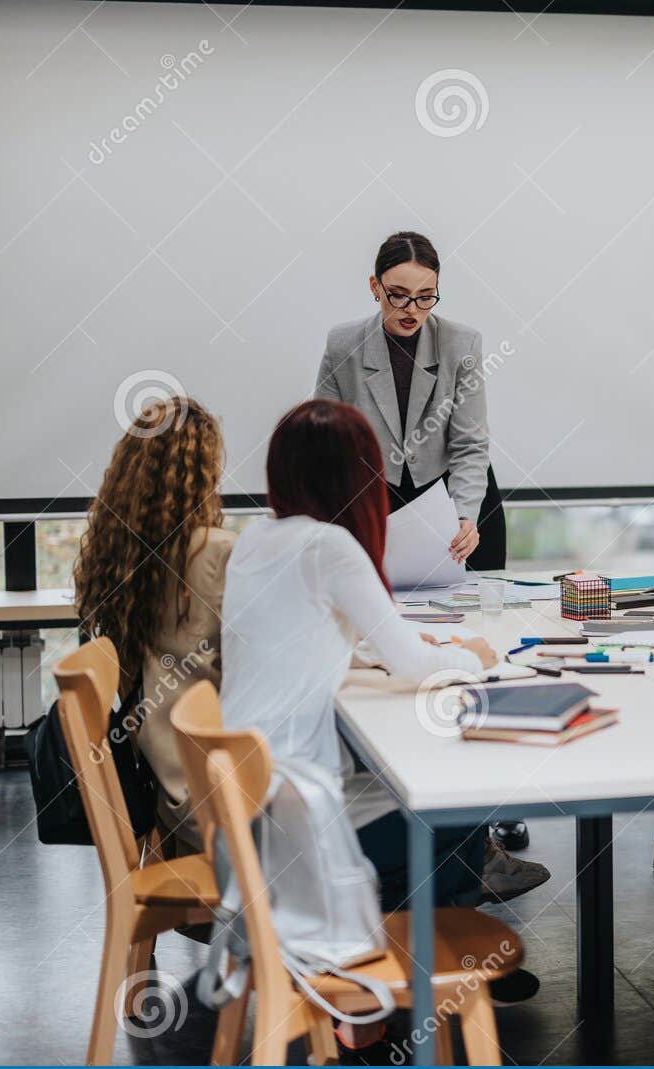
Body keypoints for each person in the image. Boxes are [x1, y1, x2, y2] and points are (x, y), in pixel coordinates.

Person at [218, 398, 541, 1005]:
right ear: (357, 477)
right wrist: (474, 653)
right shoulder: (331, 547)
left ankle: (402, 962)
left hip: (248, 820)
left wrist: (382, 651)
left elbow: (306, 634)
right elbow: (417, 667)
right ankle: (435, 966)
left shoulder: (256, 540)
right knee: (462, 807)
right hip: (300, 832)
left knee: (409, 785)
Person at [72, 396, 234, 856]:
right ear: (203, 473)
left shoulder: (119, 557)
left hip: (163, 783)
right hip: (213, 800)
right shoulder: (219, 553)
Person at [314, 229, 505, 571]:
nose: (412, 310)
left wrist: (464, 516)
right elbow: (325, 446)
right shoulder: (343, 345)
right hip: (374, 495)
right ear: (375, 287)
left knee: (469, 612)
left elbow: (470, 446)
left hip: (454, 493)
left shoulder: (462, 344)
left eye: (426, 296)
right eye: (399, 296)